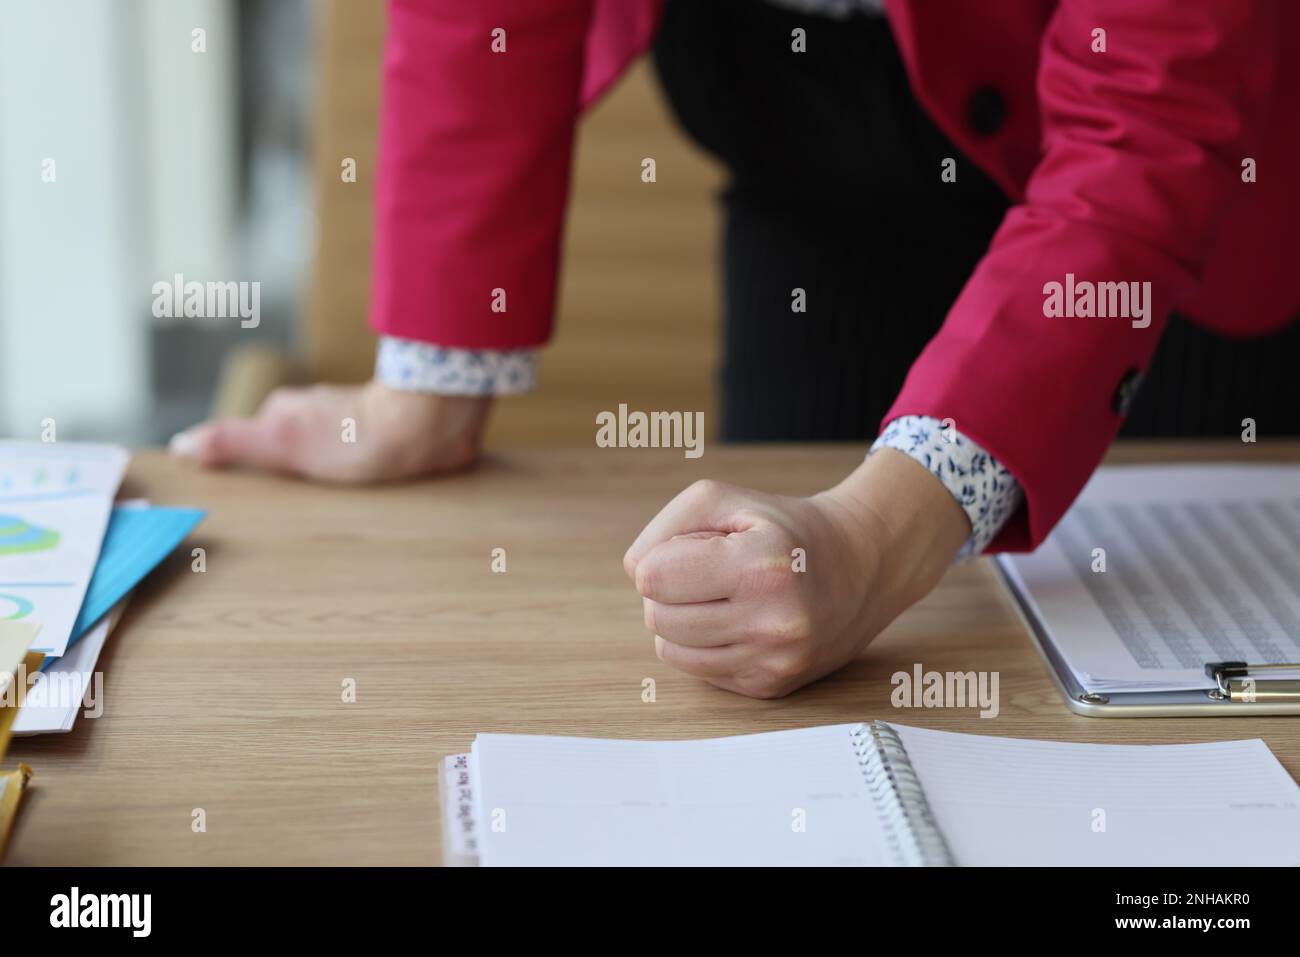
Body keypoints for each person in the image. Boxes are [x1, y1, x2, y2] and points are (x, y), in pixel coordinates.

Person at [170, 0, 1300, 698]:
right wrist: (433, 375)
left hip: (1174, 230)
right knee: (765, 634)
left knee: (1163, 689)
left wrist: (875, 537)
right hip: (799, 128)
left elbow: (1146, 119)